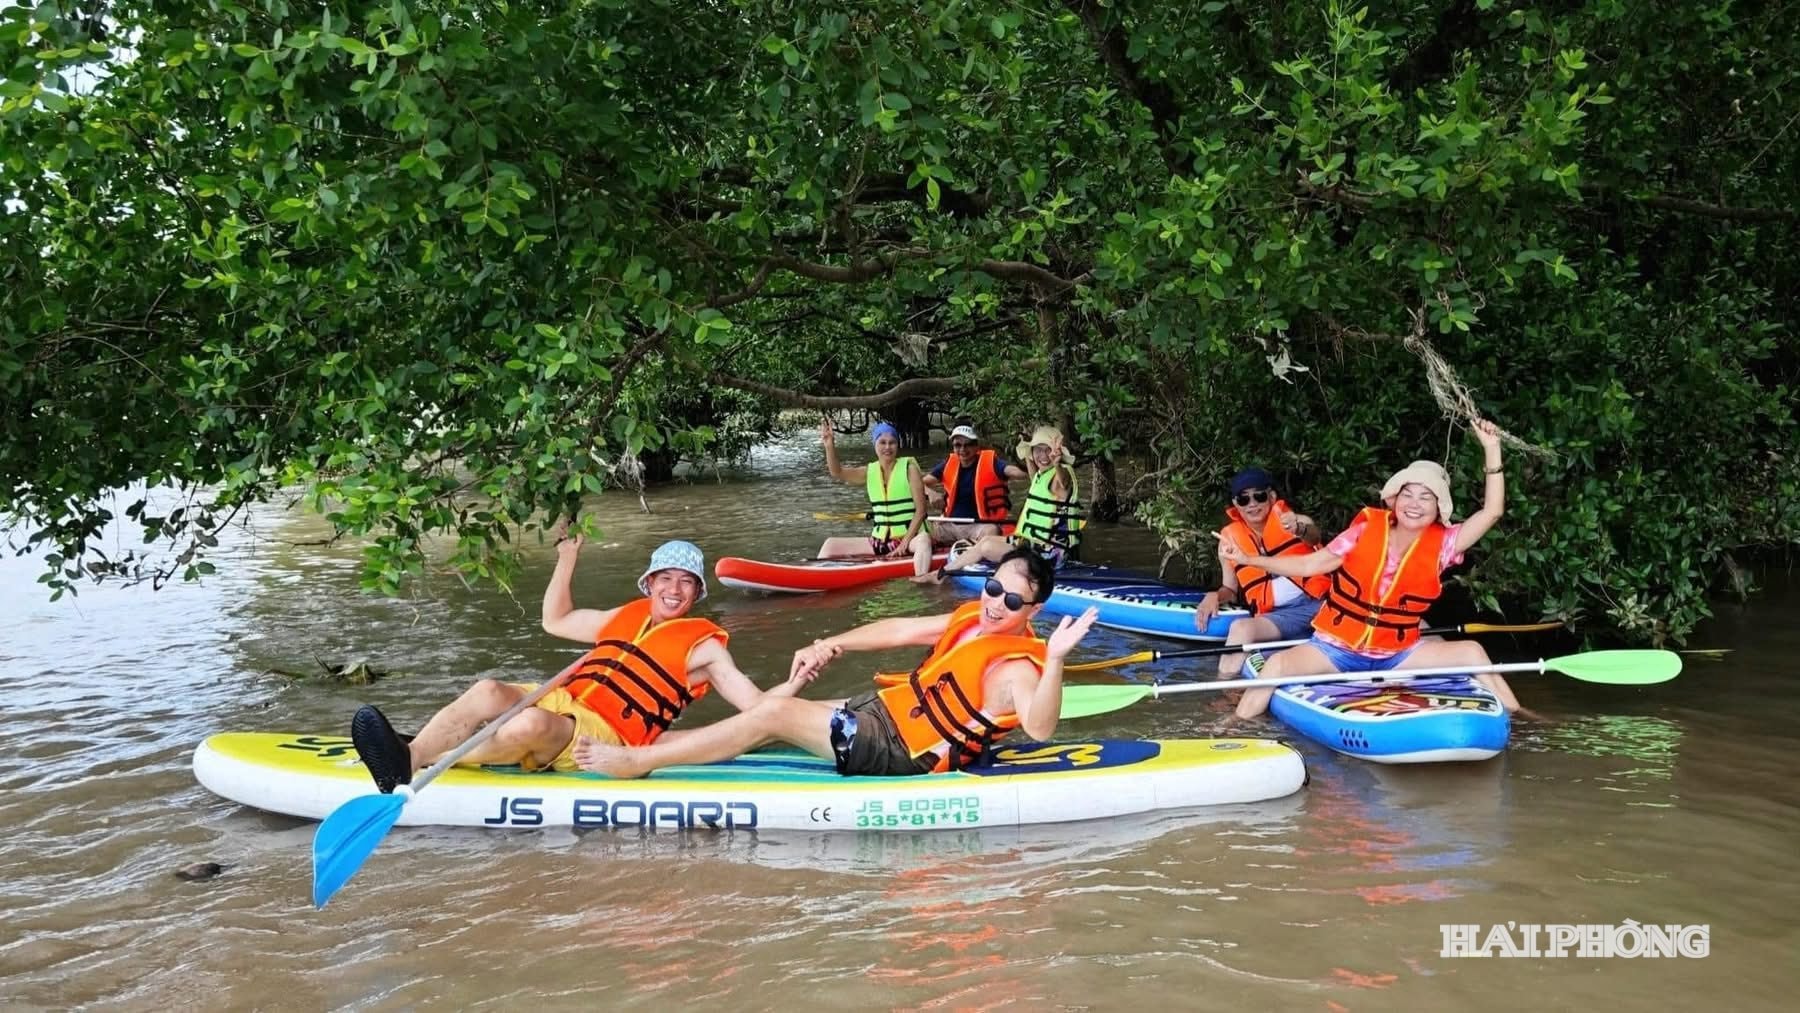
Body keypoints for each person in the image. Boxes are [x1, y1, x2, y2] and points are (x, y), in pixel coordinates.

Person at [572, 546, 1101, 779]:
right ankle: (666, 744)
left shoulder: (1016, 668)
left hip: (902, 752)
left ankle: (639, 762)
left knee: (772, 714)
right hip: (884, 714)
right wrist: (833, 642)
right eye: (993, 588)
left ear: (1033, 611)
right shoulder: (973, 619)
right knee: (773, 718)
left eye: (1012, 600)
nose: (995, 603)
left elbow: (1039, 726)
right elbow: (900, 629)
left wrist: (1055, 661)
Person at [348, 537, 812, 791]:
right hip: (566, 699)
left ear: (697, 593)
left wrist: (793, 684)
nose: (674, 589)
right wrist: (567, 558)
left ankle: (425, 755)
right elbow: (556, 620)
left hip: (607, 736)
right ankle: (408, 758)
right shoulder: (626, 615)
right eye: (666, 578)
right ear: (650, 583)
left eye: (686, 582)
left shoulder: (704, 648)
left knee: (529, 724)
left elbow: (754, 708)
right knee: (489, 689)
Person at [1217, 419, 1523, 719]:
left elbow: (1492, 512)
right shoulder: (1364, 531)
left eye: (1425, 497)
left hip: (1398, 653)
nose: (1414, 504)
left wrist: (1492, 448)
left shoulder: (1446, 544)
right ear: (1395, 500)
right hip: (1337, 649)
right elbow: (1310, 564)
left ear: (1438, 507)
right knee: (1277, 666)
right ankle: (1232, 727)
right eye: (1407, 495)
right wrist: (1249, 559)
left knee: (1471, 651)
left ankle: (1521, 717)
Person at [1194, 466, 1328, 677]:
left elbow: (1314, 537)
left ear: (1271, 497)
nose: (1252, 504)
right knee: (1241, 628)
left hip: (1319, 606)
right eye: (1244, 499)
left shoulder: (1295, 521)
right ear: (1236, 504)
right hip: (1278, 616)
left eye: (1259, 496)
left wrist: (1299, 529)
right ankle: (1227, 689)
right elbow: (1230, 589)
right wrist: (1214, 596)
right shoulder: (1228, 541)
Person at [935, 425, 1085, 578]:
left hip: (1050, 555)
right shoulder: (1042, 476)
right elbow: (1033, 476)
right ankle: (945, 572)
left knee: (986, 547)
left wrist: (1057, 463)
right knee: (986, 539)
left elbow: (1064, 482)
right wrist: (1027, 453)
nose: (1043, 455)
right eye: (1038, 450)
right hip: (1033, 545)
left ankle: (941, 575)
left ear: (1057, 453)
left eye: (1048, 450)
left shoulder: (1060, 477)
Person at [816, 417, 930, 574]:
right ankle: (817, 576)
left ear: (897, 445)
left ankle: (922, 579)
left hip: (910, 539)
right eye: (882, 442)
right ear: (875, 445)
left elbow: (921, 511)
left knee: (924, 540)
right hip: (880, 541)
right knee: (830, 544)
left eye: (892, 442)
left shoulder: (909, 469)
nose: (887, 447)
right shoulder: (869, 472)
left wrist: (904, 543)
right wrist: (829, 445)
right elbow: (837, 472)